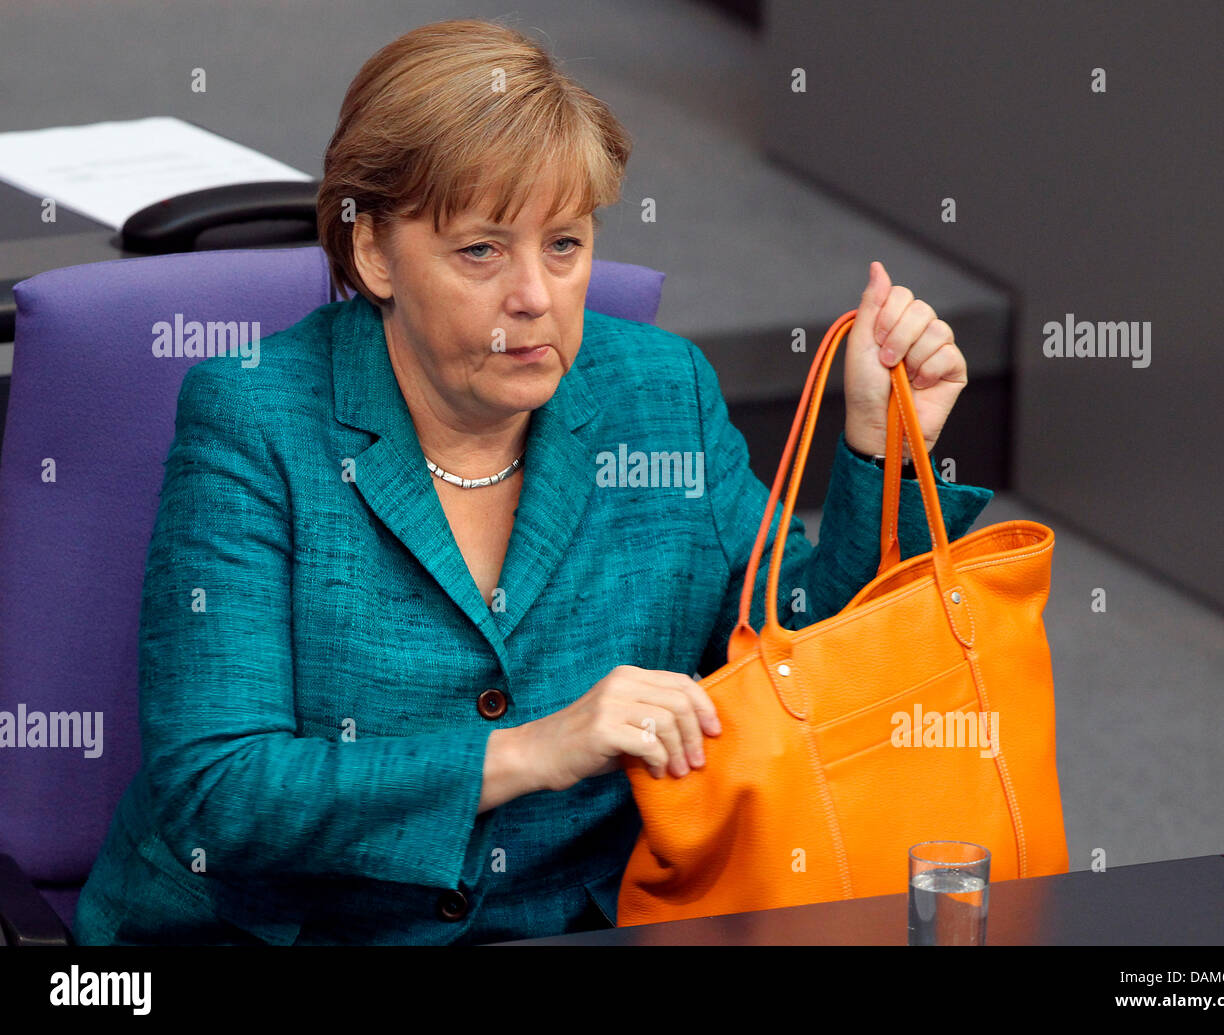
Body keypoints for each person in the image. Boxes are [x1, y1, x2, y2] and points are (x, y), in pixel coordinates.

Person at [72, 18, 993, 946]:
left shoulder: (659, 394)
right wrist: (530, 751)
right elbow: (219, 790)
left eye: (564, 245)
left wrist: (879, 447)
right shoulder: (256, 419)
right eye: (481, 250)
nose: (536, 296)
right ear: (374, 254)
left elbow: (799, 650)